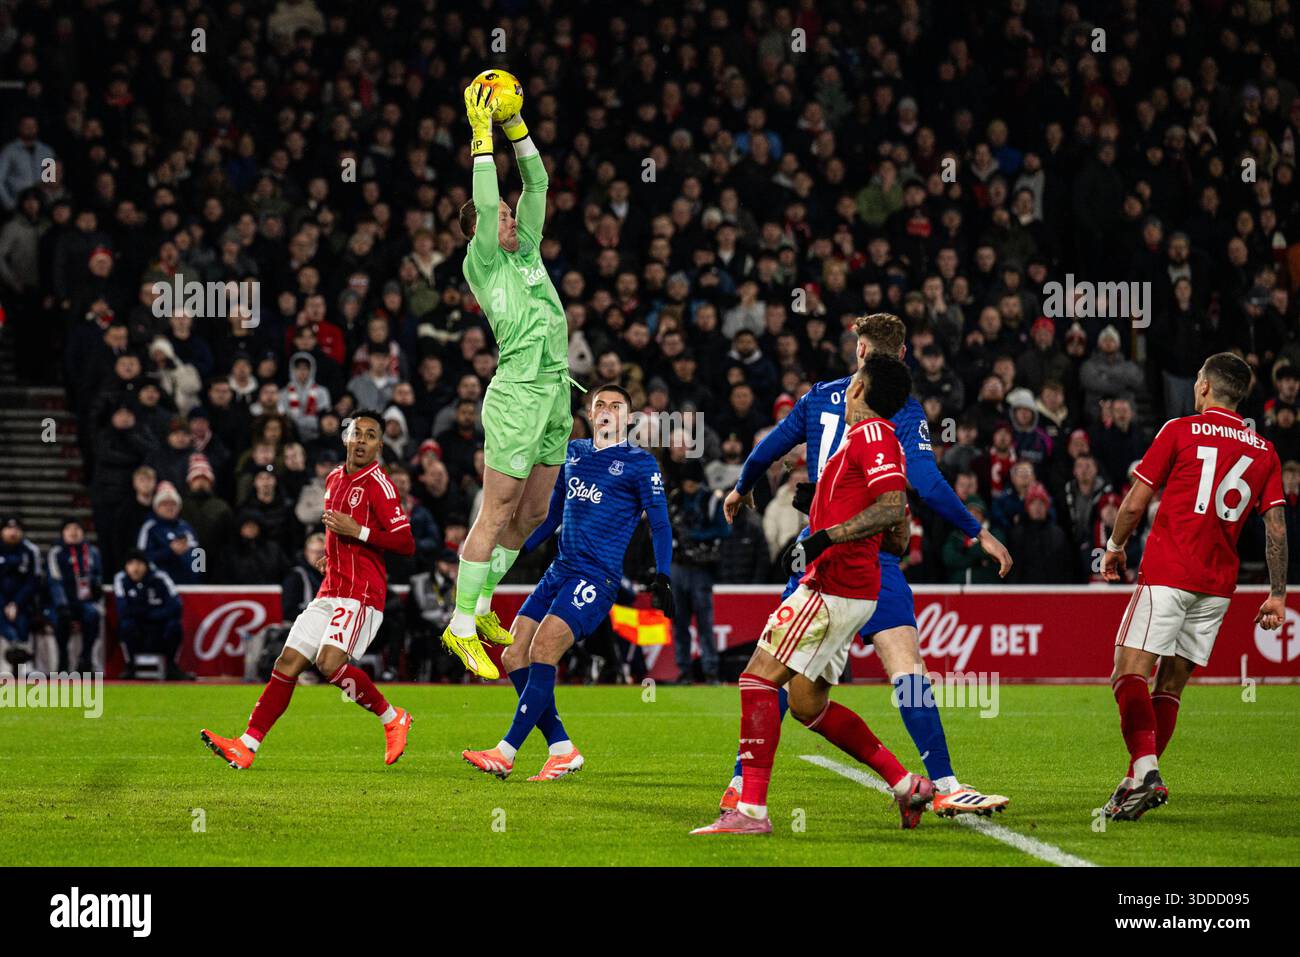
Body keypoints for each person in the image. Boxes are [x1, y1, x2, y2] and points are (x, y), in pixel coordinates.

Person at [720, 313, 1011, 816]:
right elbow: (925, 481)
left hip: (821, 557)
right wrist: (976, 530)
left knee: (774, 675)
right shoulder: (902, 409)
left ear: (859, 352)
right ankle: (942, 783)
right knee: (905, 670)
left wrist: (741, 487)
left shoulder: (818, 397)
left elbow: (770, 447)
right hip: (871, 562)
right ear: (900, 358)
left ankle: (741, 787)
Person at [692, 355, 931, 835]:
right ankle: (907, 784)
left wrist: (826, 536)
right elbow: (899, 535)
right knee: (806, 704)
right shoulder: (873, 443)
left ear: (858, 391)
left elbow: (891, 509)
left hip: (834, 586)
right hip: (852, 588)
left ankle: (751, 811)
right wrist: (823, 510)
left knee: (757, 680)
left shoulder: (873, 436)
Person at [1101, 353, 1287, 821]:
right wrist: (1278, 593)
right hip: (1217, 587)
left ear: (1203, 387)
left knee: (1127, 673)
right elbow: (1277, 529)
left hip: (1169, 572)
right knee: (1171, 686)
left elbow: (1134, 503)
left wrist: (1115, 545)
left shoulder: (1179, 430)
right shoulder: (1264, 451)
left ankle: (1145, 770)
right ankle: (1135, 779)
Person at [460, 385, 673, 780]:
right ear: (590, 415)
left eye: (616, 406)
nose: (607, 411)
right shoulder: (573, 454)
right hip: (559, 570)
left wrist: (663, 575)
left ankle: (506, 752)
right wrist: (518, 549)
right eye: (600, 406)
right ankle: (561, 747)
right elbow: (552, 512)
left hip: (597, 576)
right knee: (512, 655)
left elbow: (660, 523)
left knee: (543, 649)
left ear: (629, 417)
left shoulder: (640, 464)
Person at [440, 82, 576, 680]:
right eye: (500, 215)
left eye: (511, 214)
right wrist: (482, 134)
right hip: (518, 389)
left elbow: (538, 184)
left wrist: (517, 126)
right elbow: (488, 190)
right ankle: (461, 624)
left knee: (534, 514)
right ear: (478, 231)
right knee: (496, 512)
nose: (512, 217)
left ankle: (486, 602)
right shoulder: (485, 261)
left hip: (555, 389)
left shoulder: (528, 253)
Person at [199, 410, 415, 769]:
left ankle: (392, 718)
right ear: (345, 438)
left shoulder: (380, 484)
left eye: (371, 435)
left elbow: (405, 542)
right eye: (356, 433)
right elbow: (337, 534)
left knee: (329, 664)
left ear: (379, 445)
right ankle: (246, 744)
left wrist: (357, 531)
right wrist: (332, 559)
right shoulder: (332, 479)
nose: (361, 440)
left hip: (361, 592)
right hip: (330, 589)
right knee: (286, 663)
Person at [667, 459, 730, 684]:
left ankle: (710, 671)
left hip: (701, 568)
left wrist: (694, 536)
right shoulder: (674, 498)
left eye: (693, 481)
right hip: (677, 566)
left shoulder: (712, 500)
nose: (690, 486)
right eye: (687, 481)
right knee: (679, 622)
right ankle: (684, 671)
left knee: (704, 622)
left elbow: (724, 530)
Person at [113, 550, 190, 680]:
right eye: (131, 564)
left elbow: (176, 606)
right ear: (126, 566)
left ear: (146, 565)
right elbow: (123, 610)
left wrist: (148, 613)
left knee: (175, 626)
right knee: (126, 625)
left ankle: (172, 667)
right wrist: (149, 612)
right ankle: (130, 666)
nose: (135, 568)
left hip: (159, 626)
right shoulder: (121, 578)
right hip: (138, 627)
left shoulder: (160, 577)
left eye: (139, 563)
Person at [47, 519, 103, 672]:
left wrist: (97, 588)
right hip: (64, 600)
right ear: (63, 533)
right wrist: (62, 604)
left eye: (77, 528)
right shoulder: (56, 552)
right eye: (69, 529)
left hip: (84, 600)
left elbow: (97, 575)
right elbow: (55, 581)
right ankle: (62, 658)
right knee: (61, 619)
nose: (73, 532)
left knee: (93, 615)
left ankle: (86, 658)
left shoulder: (92, 552)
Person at [0, 515, 41, 671]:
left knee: (23, 621)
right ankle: (16, 646)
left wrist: (16, 603)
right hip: (1, 601)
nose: (13, 532)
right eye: (9, 528)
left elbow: (33, 581)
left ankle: (22, 663)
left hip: (22, 602)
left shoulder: (30, 551)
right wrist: (5, 604)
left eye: (16, 529)